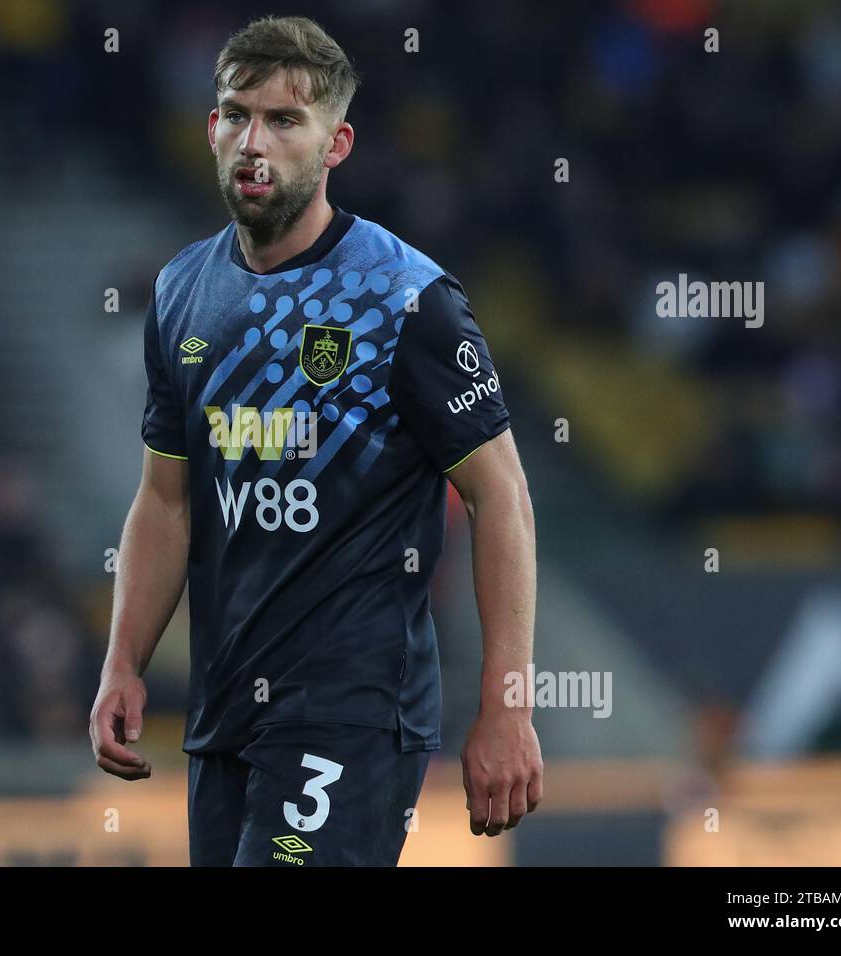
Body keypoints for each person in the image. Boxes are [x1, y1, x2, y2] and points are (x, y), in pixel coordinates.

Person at [90, 15, 542, 866]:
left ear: (336, 144)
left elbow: (502, 496)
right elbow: (164, 500)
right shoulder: (183, 291)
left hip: (353, 708)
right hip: (224, 710)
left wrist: (507, 705)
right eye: (236, 114)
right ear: (211, 128)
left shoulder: (405, 298)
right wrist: (124, 662)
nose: (253, 142)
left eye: (284, 120)